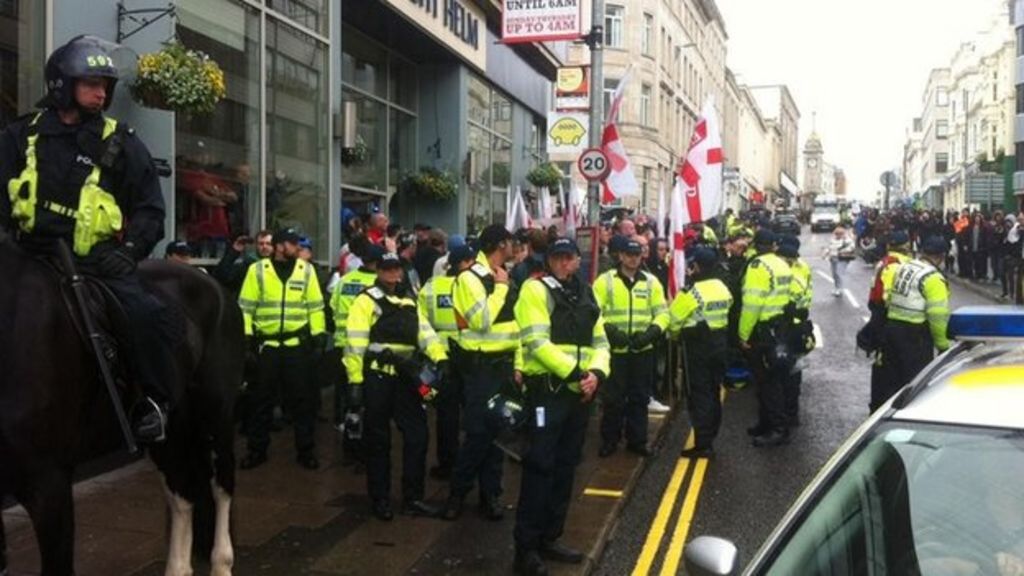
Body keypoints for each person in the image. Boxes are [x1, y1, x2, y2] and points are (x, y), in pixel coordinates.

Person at [0, 35, 174, 443]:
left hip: (96, 262)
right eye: (90, 83)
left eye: (105, 86)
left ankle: (153, 402)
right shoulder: (19, 136)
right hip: (28, 254)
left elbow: (150, 209)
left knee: (143, 312)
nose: (101, 93)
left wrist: (129, 252)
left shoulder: (122, 142)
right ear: (62, 85)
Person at [512, 237, 610, 576]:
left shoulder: (587, 293)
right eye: (558, 258)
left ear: (578, 260)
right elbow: (536, 342)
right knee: (540, 466)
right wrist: (576, 373)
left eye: (569, 258)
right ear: (549, 260)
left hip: (579, 392)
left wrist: (596, 374)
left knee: (567, 465)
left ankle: (550, 537)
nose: (564, 264)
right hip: (549, 391)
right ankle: (526, 547)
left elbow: (601, 341)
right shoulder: (535, 290)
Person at [344, 251, 449, 521]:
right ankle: (380, 498)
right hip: (378, 377)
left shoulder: (408, 301)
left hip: (407, 379)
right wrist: (355, 382)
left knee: (418, 436)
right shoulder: (366, 301)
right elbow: (354, 343)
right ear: (378, 271)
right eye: (387, 269)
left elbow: (425, 333)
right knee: (378, 441)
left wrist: (441, 359)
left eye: (396, 269)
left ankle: (413, 498)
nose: (392, 274)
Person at [442, 225, 520, 521]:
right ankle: (457, 494)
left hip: (503, 367)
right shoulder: (469, 278)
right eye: (510, 242)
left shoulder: (501, 275)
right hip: (480, 369)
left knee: (498, 435)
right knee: (477, 435)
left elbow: (516, 324)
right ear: (500, 244)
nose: (514, 246)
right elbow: (481, 321)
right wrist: (501, 288)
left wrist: (518, 366)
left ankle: (491, 496)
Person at [238, 228, 326, 470]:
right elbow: (245, 307)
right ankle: (257, 450)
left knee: (302, 402)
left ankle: (305, 451)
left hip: (296, 346)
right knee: (261, 401)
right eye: (291, 244)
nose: (296, 248)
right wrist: (246, 340)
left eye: (297, 244)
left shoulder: (305, 270)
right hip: (267, 347)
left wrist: (318, 337)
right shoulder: (257, 271)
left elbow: (315, 307)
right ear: (278, 246)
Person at [593, 237, 668, 458]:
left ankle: (637, 441)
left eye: (637, 255)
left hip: (642, 351)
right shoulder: (604, 281)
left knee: (639, 398)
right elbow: (594, 313)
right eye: (629, 255)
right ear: (621, 256)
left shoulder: (652, 282)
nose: (633, 259)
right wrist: (611, 333)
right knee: (613, 399)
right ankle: (610, 440)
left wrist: (651, 334)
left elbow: (663, 313)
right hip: (615, 351)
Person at [418, 244, 476, 481]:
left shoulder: (432, 287)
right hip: (471, 357)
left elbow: (420, 323)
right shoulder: (476, 287)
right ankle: (471, 465)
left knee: (446, 416)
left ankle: (447, 464)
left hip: (442, 358)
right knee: (473, 416)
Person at [669, 247, 732, 458]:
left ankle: (703, 444)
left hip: (697, 350)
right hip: (719, 345)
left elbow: (674, 321)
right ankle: (711, 435)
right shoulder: (722, 287)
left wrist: (677, 337)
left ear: (696, 266)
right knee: (714, 393)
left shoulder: (691, 292)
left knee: (699, 395)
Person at [878, 236, 951, 403]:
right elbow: (937, 316)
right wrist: (943, 346)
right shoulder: (933, 278)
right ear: (941, 256)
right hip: (915, 337)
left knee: (893, 383)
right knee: (915, 386)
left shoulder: (904, 268)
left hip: (892, 329)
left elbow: (889, 298)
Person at [739, 229, 794, 447]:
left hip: (762, 330)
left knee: (768, 382)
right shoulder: (781, 263)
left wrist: (743, 334)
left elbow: (752, 304)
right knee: (769, 380)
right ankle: (765, 423)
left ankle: (778, 429)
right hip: (778, 327)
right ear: (774, 246)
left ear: (755, 245)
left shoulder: (758, 266)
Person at [329, 243, 384, 457]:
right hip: (368, 349)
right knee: (367, 399)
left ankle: (346, 436)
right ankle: (364, 447)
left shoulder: (345, 281)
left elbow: (333, 307)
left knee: (347, 395)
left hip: (343, 345)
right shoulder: (378, 285)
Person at [864, 231, 911, 412]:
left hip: (881, 320)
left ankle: (877, 406)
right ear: (906, 246)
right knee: (899, 370)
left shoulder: (882, 263)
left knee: (881, 368)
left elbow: (874, 297)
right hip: (896, 321)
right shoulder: (902, 264)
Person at [776, 236, 813, 427]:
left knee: (783, 373)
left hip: (788, 328)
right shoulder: (803, 267)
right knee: (795, 371)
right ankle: (792, 414)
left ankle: (785, 416)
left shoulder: (786, 276)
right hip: (801, 326)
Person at [212, 230, 273, 295]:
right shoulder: (246, 265)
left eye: (268, 244)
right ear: (256, 245)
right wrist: (234, 251)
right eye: (261, 244)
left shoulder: (279, 266)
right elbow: (221, 276)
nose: (264, 247)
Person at [822, 225, 854, 296]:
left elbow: (852, 247)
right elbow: (829, 247)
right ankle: (837, 288)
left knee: (839, 273)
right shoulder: (832, 240)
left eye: (840, 233)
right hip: (833, 259)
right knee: (834, 274)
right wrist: (825, 254)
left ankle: (840, 289)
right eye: (837, 233)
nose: (838, 235)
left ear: (843, 233)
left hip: (842, 259)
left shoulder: (847, 240)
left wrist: (841, 251)